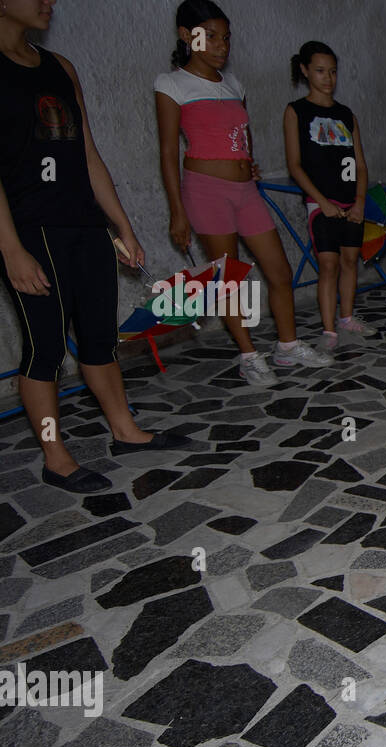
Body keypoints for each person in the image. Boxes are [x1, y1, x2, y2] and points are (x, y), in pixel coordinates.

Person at [1, 0, 192, 494]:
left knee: (99, 339)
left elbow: (86, 151)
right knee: (44, 351)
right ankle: (55, 454)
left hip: (84, 223)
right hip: (28, 230)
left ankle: (125, 431)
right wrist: (10, 250)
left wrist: (121, 226)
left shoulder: (60, 66)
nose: (49, 3)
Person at [155, 0, 331, 387]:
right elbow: (169, 151)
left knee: (279, 270)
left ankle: (287, 346)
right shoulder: (171, 84)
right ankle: (249, 356)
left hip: (245, 191)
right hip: (205, 192)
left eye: (226, 38)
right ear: (187, 37)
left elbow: (241, 137)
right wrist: (177, 211)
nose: (222, 45)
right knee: (228, 277)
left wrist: (248, 162)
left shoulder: (234, 84)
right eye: (211, 37)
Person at [283, 40, 376, 351]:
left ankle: (346, 318)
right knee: (328, 264)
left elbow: (360, 164)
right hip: (320, 202)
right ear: (305, 71)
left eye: (333, 71)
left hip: (351, 201)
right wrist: (320, 201)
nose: (328, 78)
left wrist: (361, 201)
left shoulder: (346, 115)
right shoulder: (297, 111)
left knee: (350, 260)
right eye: (320, 71)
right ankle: (328, 330)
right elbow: (295, 165)